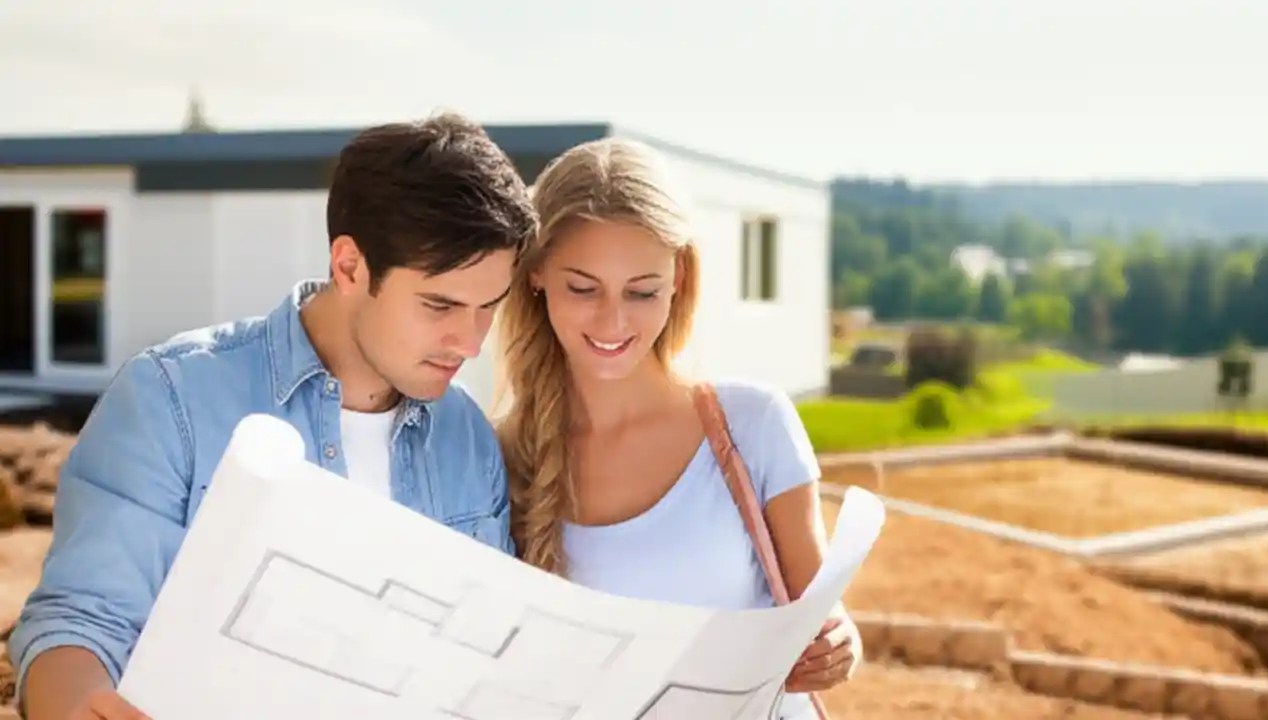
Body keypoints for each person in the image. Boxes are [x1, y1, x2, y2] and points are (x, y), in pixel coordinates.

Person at [8, 112, 538, 720]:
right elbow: (80, 623)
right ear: (349, 266)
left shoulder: (467, 436)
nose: (470, 343)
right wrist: (78, 705)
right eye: (439, 304)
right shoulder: (171, 397)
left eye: (486, 308)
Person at [493, 138, 860, 719]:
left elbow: (822, 621)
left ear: (680, 277)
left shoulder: (754, 426)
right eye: (583, 288)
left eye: (642, 291)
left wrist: (838, 647)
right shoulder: (500, 456)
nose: (613, 321)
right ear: (536, 274)